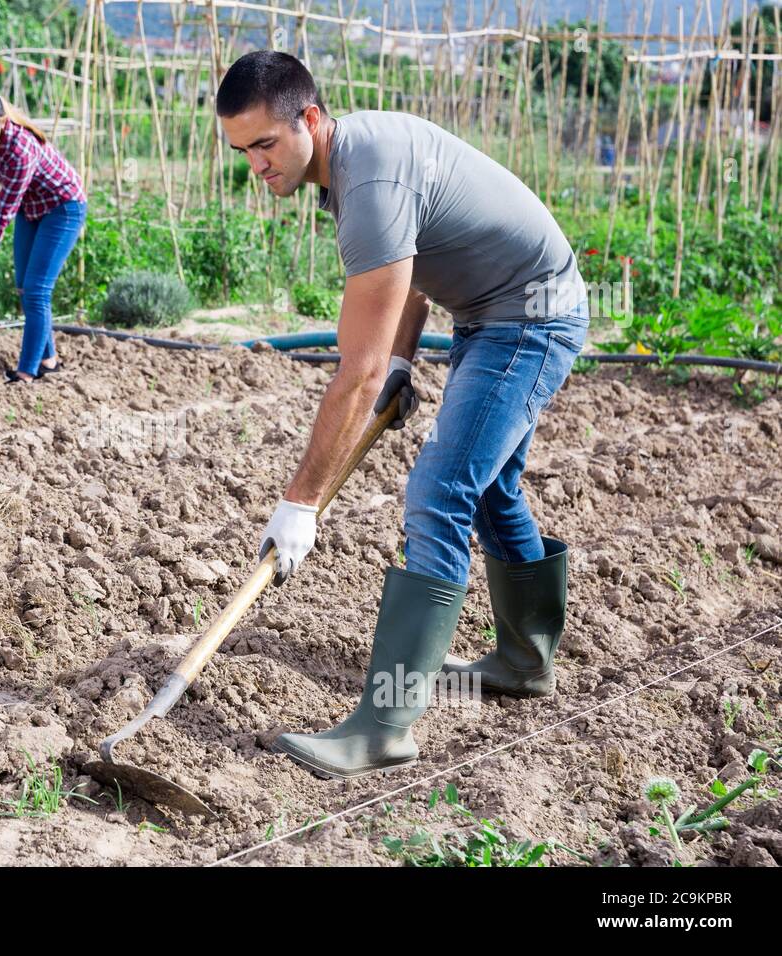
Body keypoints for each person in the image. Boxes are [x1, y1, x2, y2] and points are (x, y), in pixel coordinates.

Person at [216, 51, 590, 779]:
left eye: (266, 144)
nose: (257, 165)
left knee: (438, 493)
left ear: (310, 120)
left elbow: (350, 376)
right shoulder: (356, 157)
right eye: (242, 151)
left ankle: (384, 725)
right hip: (499, 311)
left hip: (530, 318)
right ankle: (521, 659)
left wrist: (300, 505)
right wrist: (399, 361)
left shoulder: (371, 179)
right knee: (485, 487)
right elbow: (409, 273)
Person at [0, 87, 87, 383]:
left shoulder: (21, 150)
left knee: (37, 290)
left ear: (3, 122)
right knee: (25, 287)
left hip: (63, 207)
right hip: (32, 207)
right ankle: (48, 361)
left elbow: (1, 215)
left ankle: (26, 373)